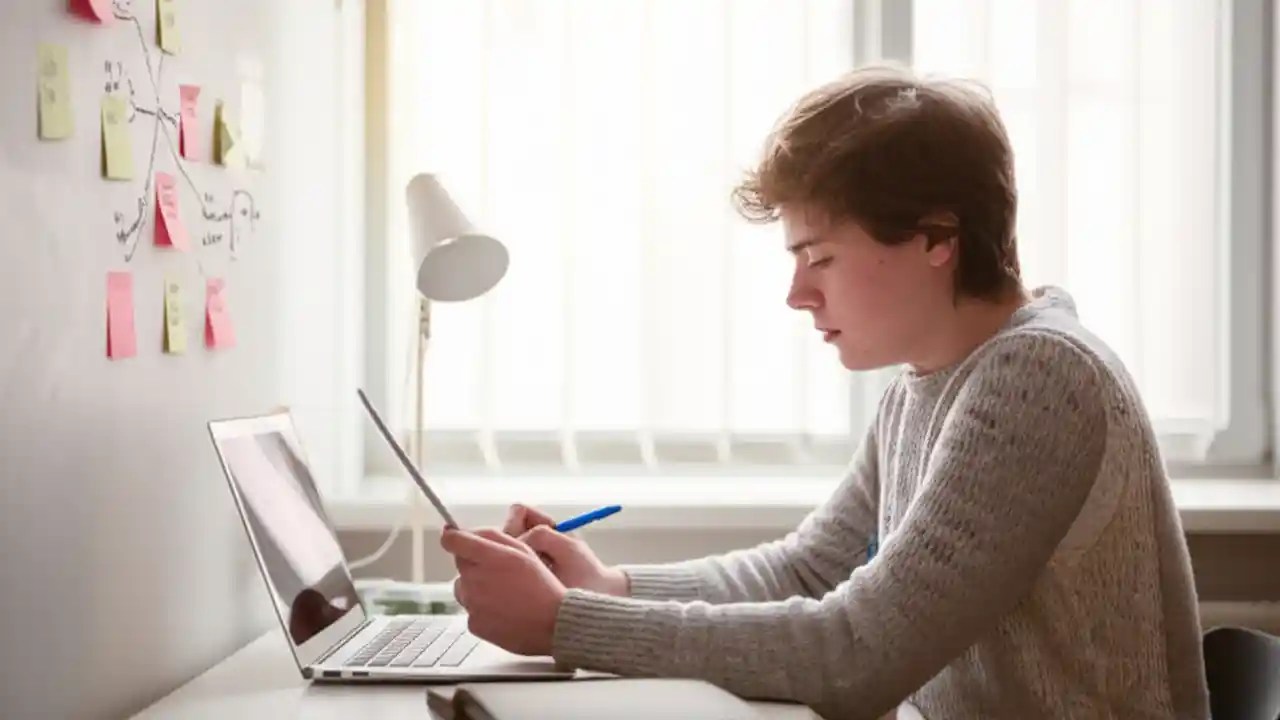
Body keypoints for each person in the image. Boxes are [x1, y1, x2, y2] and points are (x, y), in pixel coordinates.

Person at [440, 65, 1210, 719]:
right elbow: (811, 570)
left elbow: (861, 653)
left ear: (938, 238)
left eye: (821, 257)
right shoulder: (928, 382)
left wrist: (569, 624)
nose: (797, 294)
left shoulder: (1040, 380)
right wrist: (613, 586)